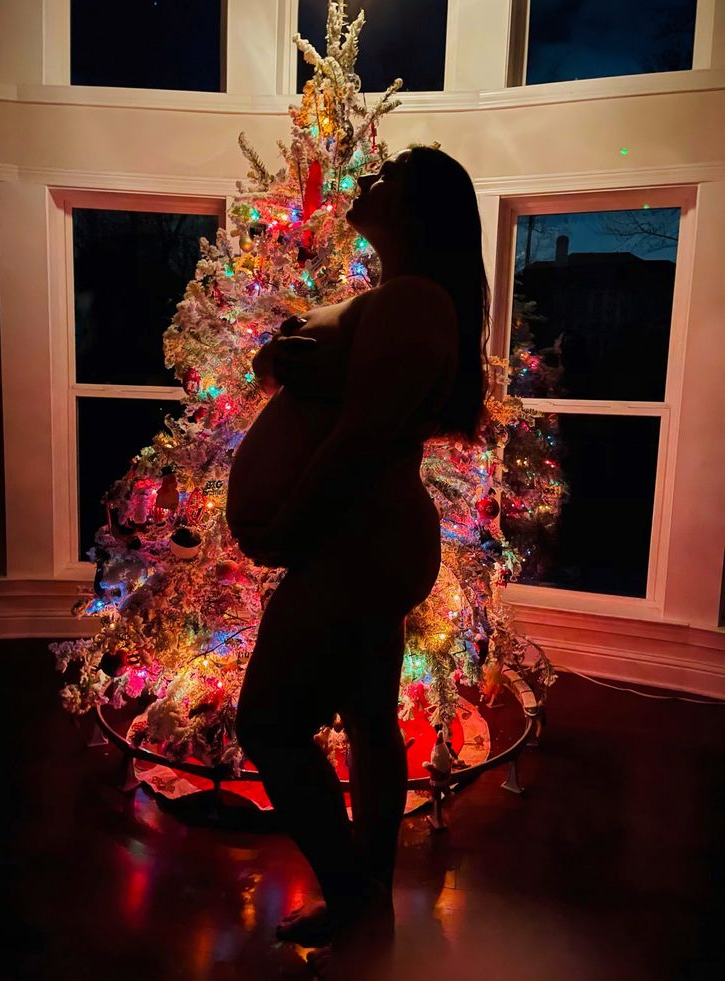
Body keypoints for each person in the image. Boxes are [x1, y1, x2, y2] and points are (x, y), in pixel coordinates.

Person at [227, 144, 490, 971]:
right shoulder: (401, 299)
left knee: (268, 722)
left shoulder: (415, 302)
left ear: (411, 208)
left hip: (357, 542)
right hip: (364, 539)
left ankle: (351, 893)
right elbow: (342, 391)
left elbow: (359, 438)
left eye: (384, 178)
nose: (363, 182)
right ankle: (366, 897)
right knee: (371, 720)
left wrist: (283, 529)